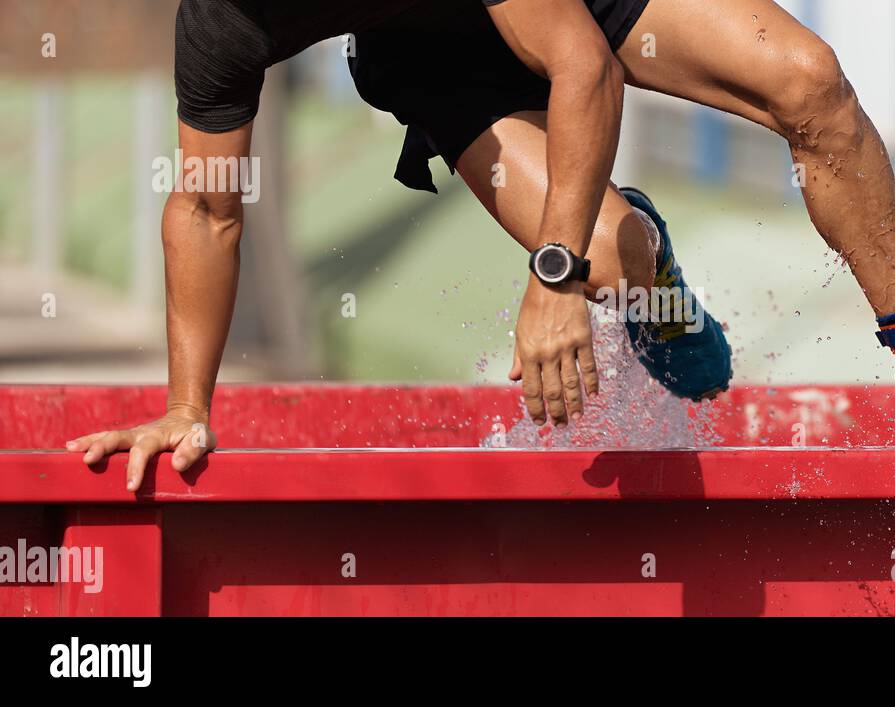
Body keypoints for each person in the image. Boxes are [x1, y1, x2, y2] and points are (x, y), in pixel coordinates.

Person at [349, 0, 895, 461]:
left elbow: (586, 64)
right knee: (609, 259)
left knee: (810, 81)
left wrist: (549, 268)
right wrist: (560, 268)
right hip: (438, 46)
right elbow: (228, 204)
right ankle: (649, 260)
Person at [67, 0, 636, 492]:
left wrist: (554, 278)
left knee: (723, 60)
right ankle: (658, 283)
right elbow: (204, 210)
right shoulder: (218, 22)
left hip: (551, 24)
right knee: (617, 261)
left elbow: (586, 64)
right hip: (444, 61)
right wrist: (185, 410)